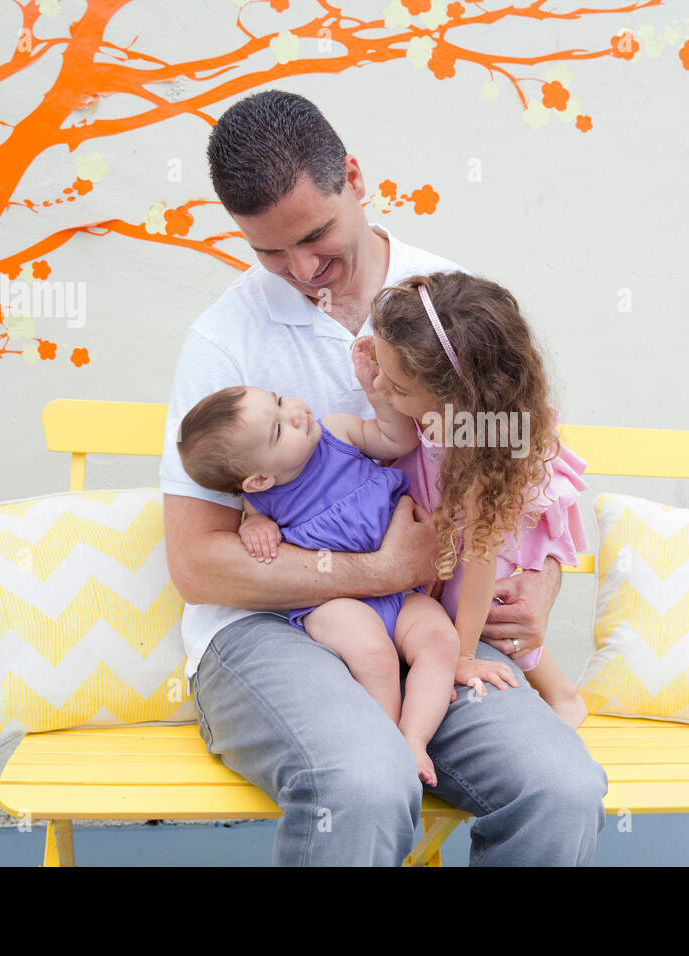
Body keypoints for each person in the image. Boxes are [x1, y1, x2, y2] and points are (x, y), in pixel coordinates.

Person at [160, 89, 607, 865]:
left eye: (315, 235)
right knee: (363, 785)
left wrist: (536, 590)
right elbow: (197, 564)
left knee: (560, 790)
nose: (300, 270)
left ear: (355, 179)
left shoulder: (449, 301)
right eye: (268, 251)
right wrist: (372, 569)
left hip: (427, 622)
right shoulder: (223, 341)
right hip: (266, 630)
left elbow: (518, 477)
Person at [173, 359, 465, 786]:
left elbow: (395, 440)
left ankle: (413, 739)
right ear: (257, 479)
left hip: (404, 593)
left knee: (442, 642)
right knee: (375, 657)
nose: (294, 412)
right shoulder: (264, 503)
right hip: (336, 602)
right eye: (278, 429)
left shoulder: (338, 432)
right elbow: (250, 531)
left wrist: (375, 393)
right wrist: (254, 526)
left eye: (277, 401)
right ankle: (386, 749)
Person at [367, 271, 591, 728]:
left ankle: (563, 695)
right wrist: (382, 377)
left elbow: (482, 564)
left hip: (480, 555)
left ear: (454, 397)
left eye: (398, 387)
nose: (381, 389)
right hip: (449, 541)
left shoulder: (480, 447)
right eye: (380, 371)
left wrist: (463, 656)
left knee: (493, 612)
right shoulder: (437, 405)